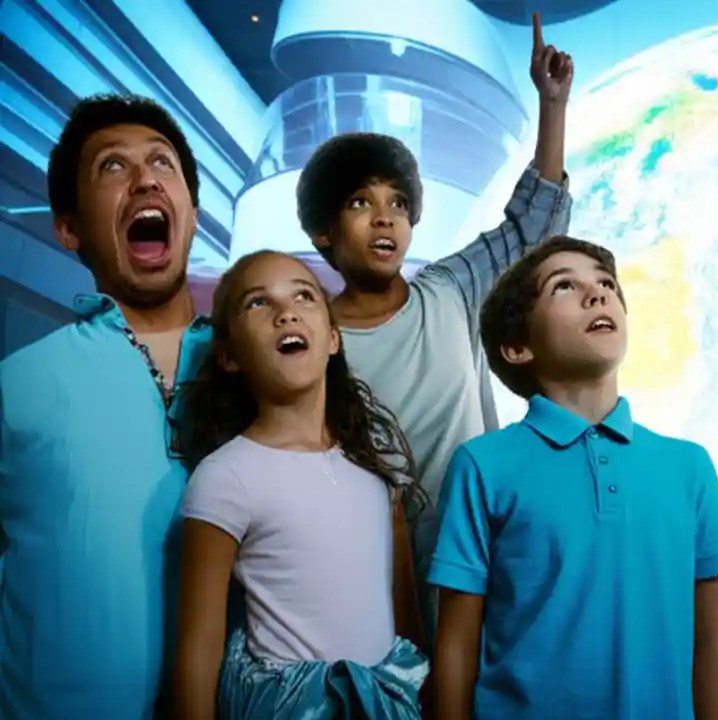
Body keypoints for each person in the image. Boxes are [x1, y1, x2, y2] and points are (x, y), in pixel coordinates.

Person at [294, 12, 574, 647]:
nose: (384, 218)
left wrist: (551, 106)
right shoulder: (310, 339)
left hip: (482, 556)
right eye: (361, 203)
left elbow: (534, 223)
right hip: (365, 575)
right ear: (323, 231)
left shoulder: (450, 290)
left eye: (398, 202)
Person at [429, 236, 718, 719]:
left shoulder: (689, 467)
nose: (598, 295)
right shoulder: (483, 466)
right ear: (517, 347)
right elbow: (456, 646)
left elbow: (710, 639)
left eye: (607, 285)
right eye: (564, 287)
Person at [0, 93, 209, 718]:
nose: (145, 178)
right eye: (112, 167)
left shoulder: (265, 371)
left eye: (162, 164)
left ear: (192, 213)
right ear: (69, 228)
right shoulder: (17, 384)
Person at [172, 250, 431, 719]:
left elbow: (402, 607)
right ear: (228, 355)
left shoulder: (375, 461)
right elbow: (199, 644)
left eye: (304, 296)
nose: (286, 312)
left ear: (332, 338)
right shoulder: (226, 476)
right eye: (258, 303)